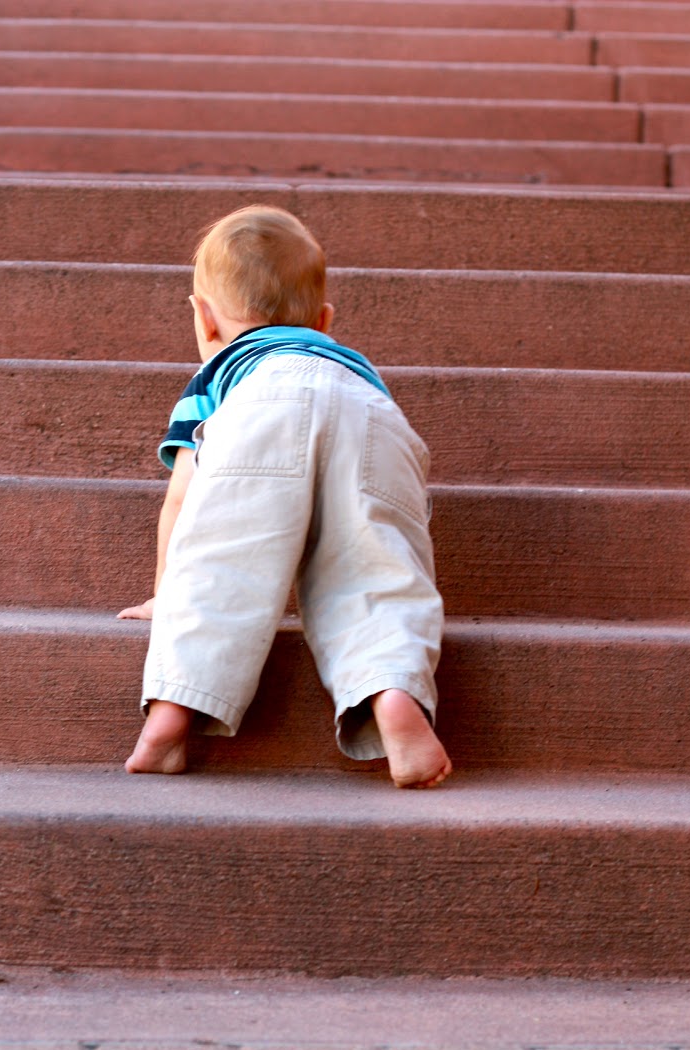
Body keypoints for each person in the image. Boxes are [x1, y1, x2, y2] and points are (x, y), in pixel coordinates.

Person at [118, 204, 451, 789]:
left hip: (260, 407)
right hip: (374, 419)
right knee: (377, 572)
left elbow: (183, 499)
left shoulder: (221, 375)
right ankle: (393, 692)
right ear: (324, 320)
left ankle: (171, 716)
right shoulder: (356, 369)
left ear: (204, 319)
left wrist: (167, 592)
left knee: (222, 567)